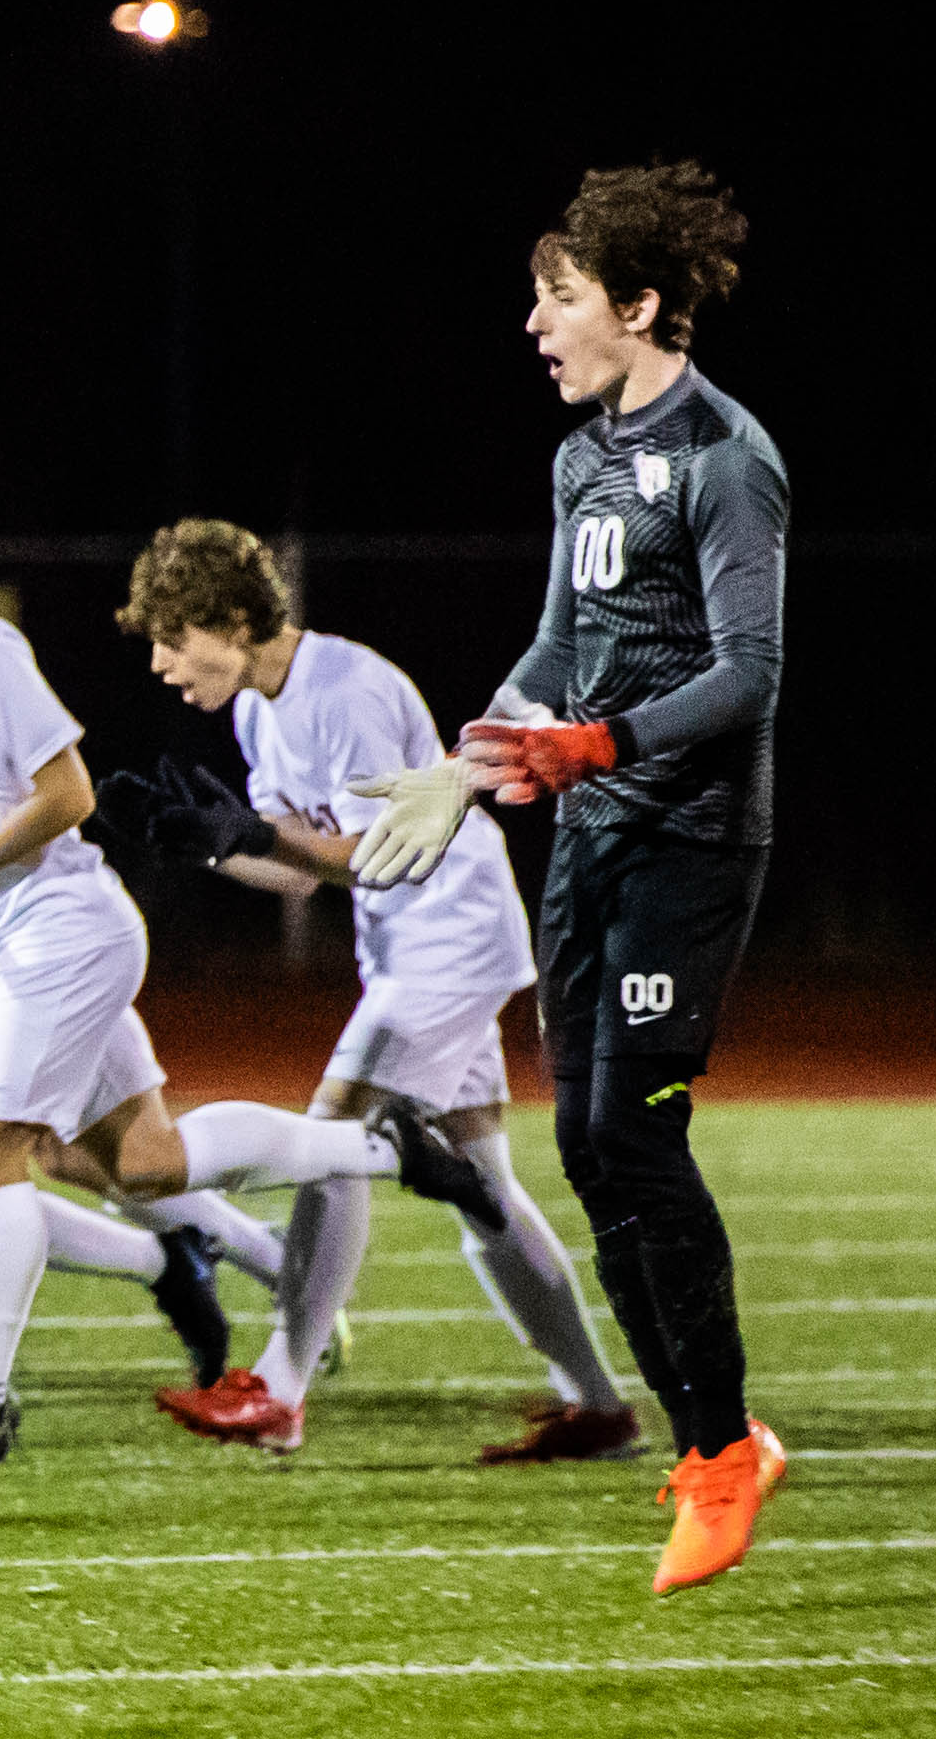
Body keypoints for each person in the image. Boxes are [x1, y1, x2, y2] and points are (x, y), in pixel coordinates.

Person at [0, 433, 501, 1487]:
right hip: (3, 932)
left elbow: (65, 796)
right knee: (142, 1162)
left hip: (64, 925)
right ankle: (389, 1152)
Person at [346, 163, 788, 1592]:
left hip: (685, 839)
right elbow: (556, 642)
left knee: (636, 1132)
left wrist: (596, 741)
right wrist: (462, 758)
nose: (536, 327)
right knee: (586, 1148)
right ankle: (708, 1439)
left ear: (638, 303)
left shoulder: (725, 456)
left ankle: (721, 1450)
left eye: (559, 298)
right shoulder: (577, 457)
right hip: (587, 835)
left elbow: (747, 674)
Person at [111, 518, 632, 1461]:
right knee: (483, 1188)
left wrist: (253, 835)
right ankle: (599, 1404)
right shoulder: (259, 708)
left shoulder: (342, 689)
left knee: (338, 1124)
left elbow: (383, 858)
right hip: (413, 943)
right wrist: (210, 844)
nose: (159, 662)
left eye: (172, 637)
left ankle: (279, 1386)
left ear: (233, 619)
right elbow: (305, 873)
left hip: (449, 936)